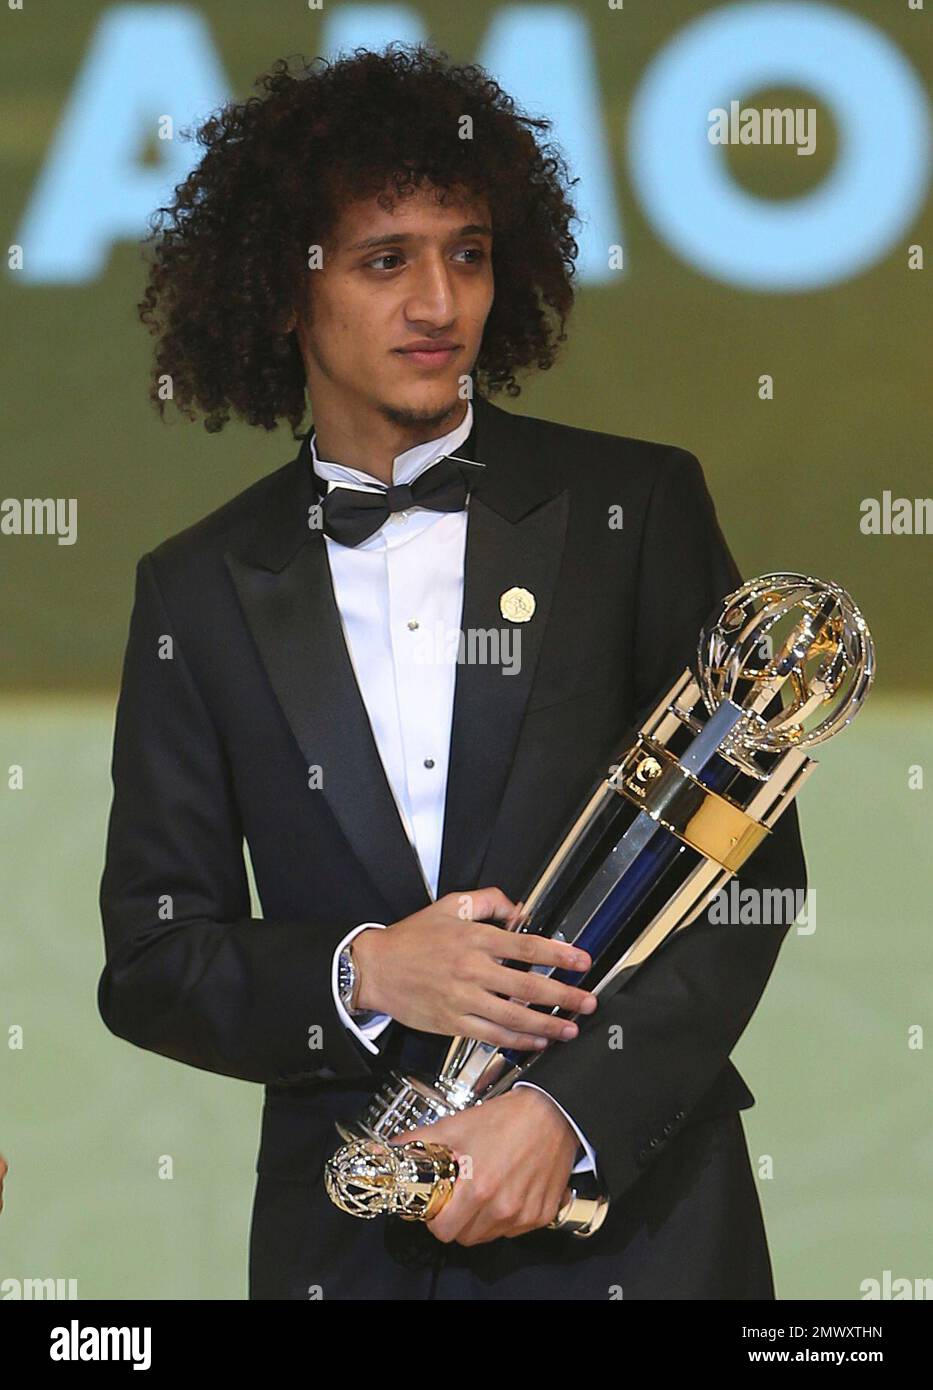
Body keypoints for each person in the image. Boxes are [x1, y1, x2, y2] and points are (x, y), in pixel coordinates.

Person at [98, 43, 807, 1300]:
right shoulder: (195, 589)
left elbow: (750, 875)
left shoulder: (634, 510)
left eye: (467, 253)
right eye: (387, 260)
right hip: (354, 1247)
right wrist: (362, 970)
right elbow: (156, 960)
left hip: (639, 1229)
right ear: (281, 290)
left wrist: (564, 1116)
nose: (441, 304)